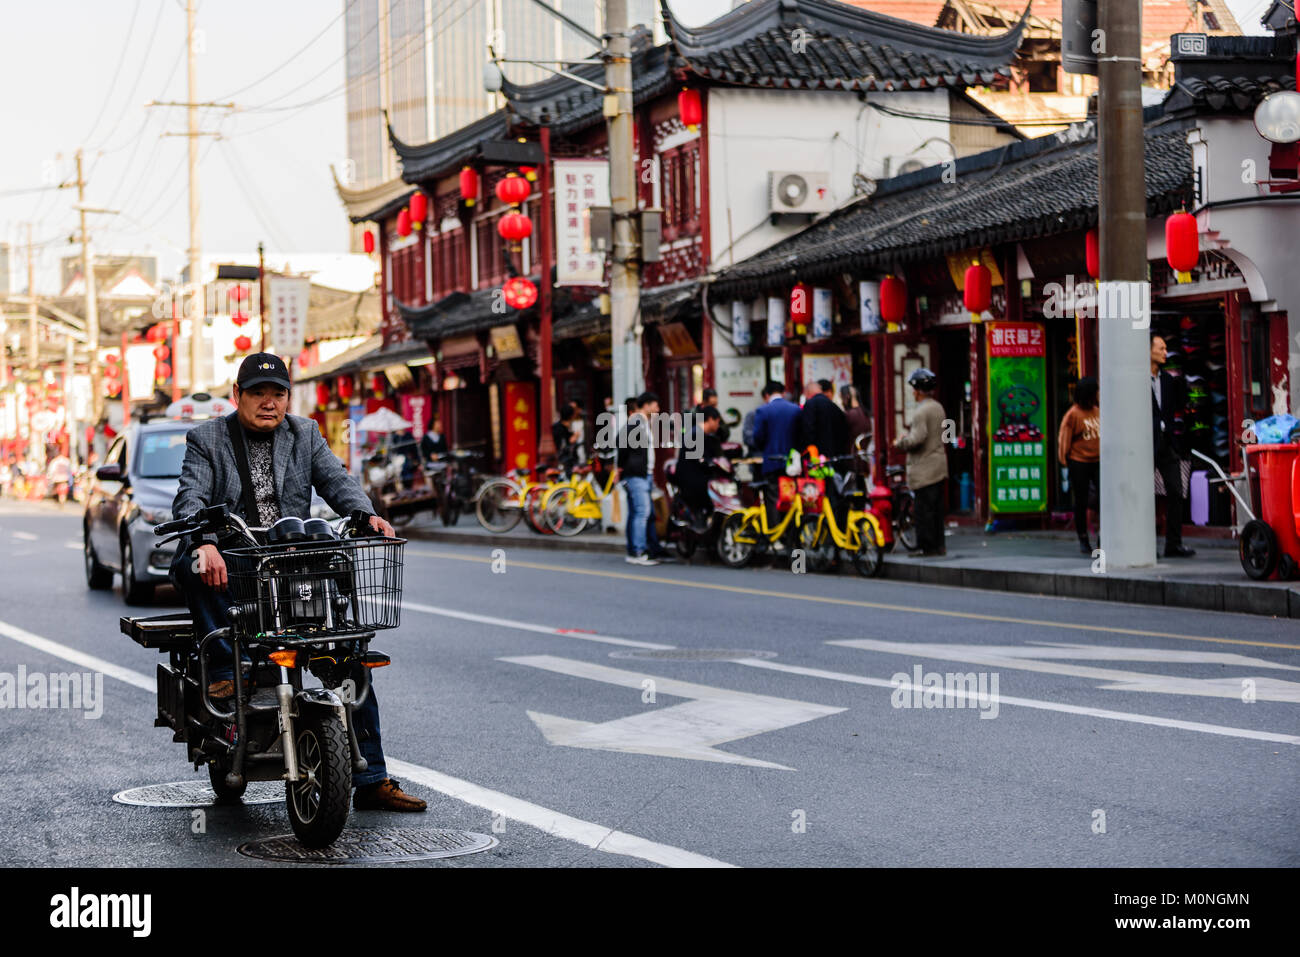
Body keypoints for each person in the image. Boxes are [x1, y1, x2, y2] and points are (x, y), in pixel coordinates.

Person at [169, 352, 425, 812]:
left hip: (290, 561)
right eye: (258, 394)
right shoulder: (207, 437)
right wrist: (204, 540)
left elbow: (336, 480)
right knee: (199, 562)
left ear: (288, 397)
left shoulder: (304, 433)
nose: (269, 402)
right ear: (238, 396)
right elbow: (191, 496)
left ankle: (373, 779)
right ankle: (227, 672)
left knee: (350, 658)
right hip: (235, 558)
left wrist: (364, 514)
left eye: (278, 393)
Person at [893, 367, 948, 556]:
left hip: (924, 468)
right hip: (939, 465)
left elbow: (917, 438)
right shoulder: (938, 407)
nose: (913, 392)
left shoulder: (921, 412)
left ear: (917, 390)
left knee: (923, 510)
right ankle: (939, 545)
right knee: (936, 511)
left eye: (913, 389)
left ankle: (927, 547)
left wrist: (900, 442)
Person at [1150, 334, 1195, 558]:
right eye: (1161, 348)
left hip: (1167, 442)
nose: (1165, 352)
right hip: (1144, 443)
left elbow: (1176, 408)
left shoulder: (1168, 380)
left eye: (1166, 348)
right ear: (1148, 351)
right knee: (1143, 495)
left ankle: (1173, 544)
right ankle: (1146, 543)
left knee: (1177, 490)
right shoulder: (1136, 379)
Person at [616, 392, 664, 565]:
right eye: (656, 405)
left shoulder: (643, 423)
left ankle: (636, 549)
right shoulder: (637, 422)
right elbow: (621, 442)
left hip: (641, 474)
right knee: (642, 512)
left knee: (637, 512)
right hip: (636, 474)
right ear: (648, 405)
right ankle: (638, 551)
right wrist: (622, 467)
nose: (658, 409)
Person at [1058, 376, 1100, 555]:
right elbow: (1064, 440)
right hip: (1079, 462)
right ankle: (1083, 538)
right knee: (1081, 501)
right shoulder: (1073, 414)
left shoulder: (1097, 411)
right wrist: (1064, 461)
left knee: (1102, 499)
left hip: (1098, 461)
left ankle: (1102, 537)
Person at [675, 405, 724, 523]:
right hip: (692, 482)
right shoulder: (696, 434)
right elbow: (699, 461)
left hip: (693, 479)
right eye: (718, 422)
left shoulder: (699, 434)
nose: (718, 425)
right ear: (711, 419)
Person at [799, 378, 849, 460]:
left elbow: (807, 430)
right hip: (835, 454)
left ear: (807, 392)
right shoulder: (834, 406)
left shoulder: (810, 404)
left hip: (816, 456)